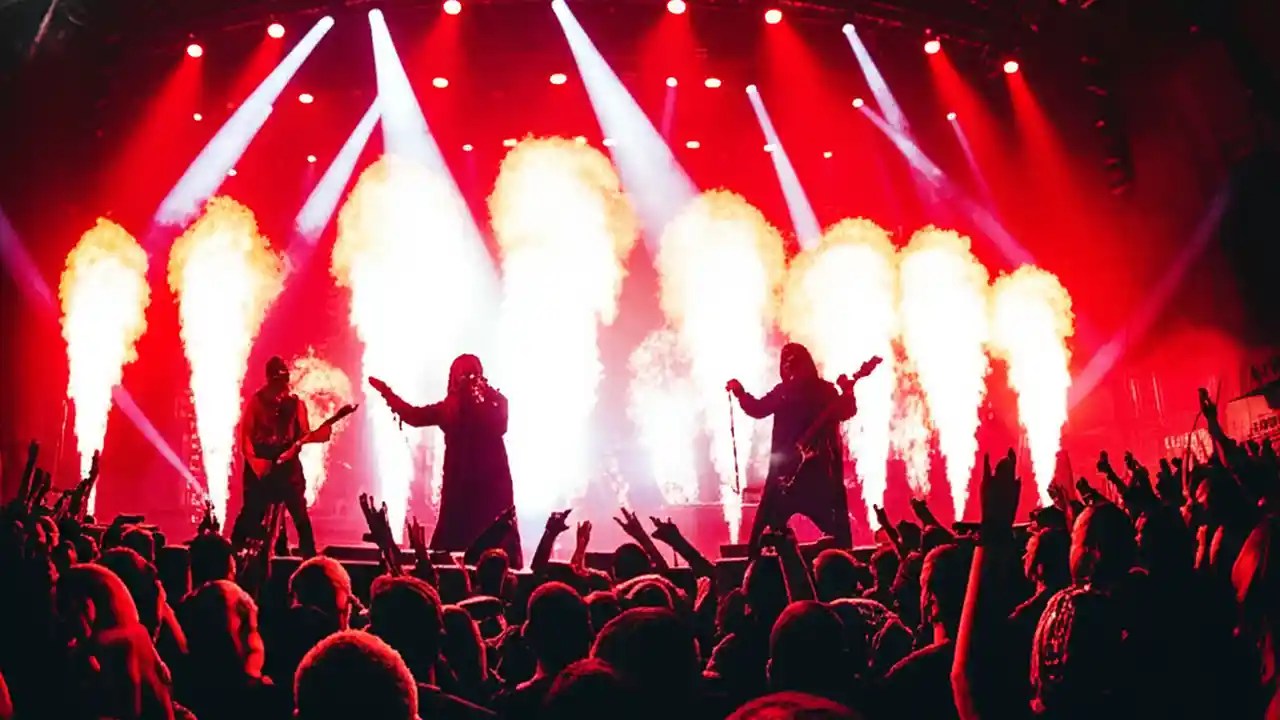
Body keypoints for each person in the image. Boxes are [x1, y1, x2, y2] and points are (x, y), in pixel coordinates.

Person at [368, 354, 521, 566]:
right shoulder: (454, 408)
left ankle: (468, 575)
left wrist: (387, 393)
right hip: (476, 484)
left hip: (483, 484)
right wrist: (387, 393)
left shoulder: (473, 407)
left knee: (479, 532)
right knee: (471, 533)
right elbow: (413, 416)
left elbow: (413, 415)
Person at [728, 344, 868, 552]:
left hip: (796, 473)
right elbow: (846, 410)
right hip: (811, 473)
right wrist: (848, 390)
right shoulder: (817, 391)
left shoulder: (793, 391)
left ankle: (757, 569)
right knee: (827, 528)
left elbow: (757, 409)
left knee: (768, 528)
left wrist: (740, 394)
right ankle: (843, 566)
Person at [230, 356, 331, 558]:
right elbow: (246, 437)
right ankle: (233, 551)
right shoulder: (257, 403)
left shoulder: (295, 404)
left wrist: (311, 438)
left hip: (287, 467)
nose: (280, 387)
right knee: (252, 510)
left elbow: (303, 433)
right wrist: (257, 463)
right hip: (262, 463)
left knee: (298, 510)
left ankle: (309, 554)